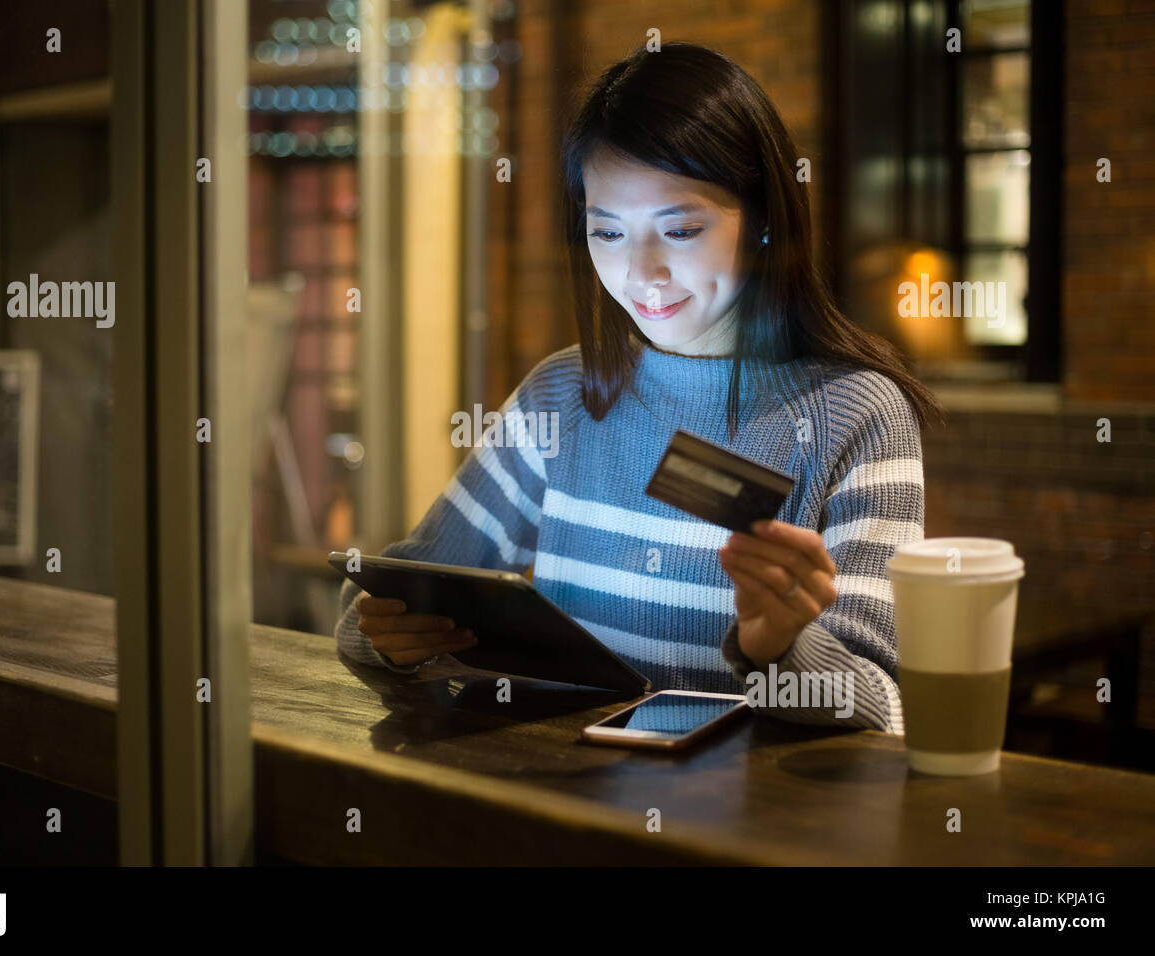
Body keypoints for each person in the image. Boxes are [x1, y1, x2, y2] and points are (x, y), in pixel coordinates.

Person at [334, 42, 943, 734]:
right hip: (567, 812)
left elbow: (884, 710)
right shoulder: (562, 396)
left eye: (680, 229)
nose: (641, 272)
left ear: (766, 216)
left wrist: (777, 649)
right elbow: (381, 604)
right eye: (608, 231)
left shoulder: (858, 416)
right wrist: (389, 638)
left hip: (750, 831)